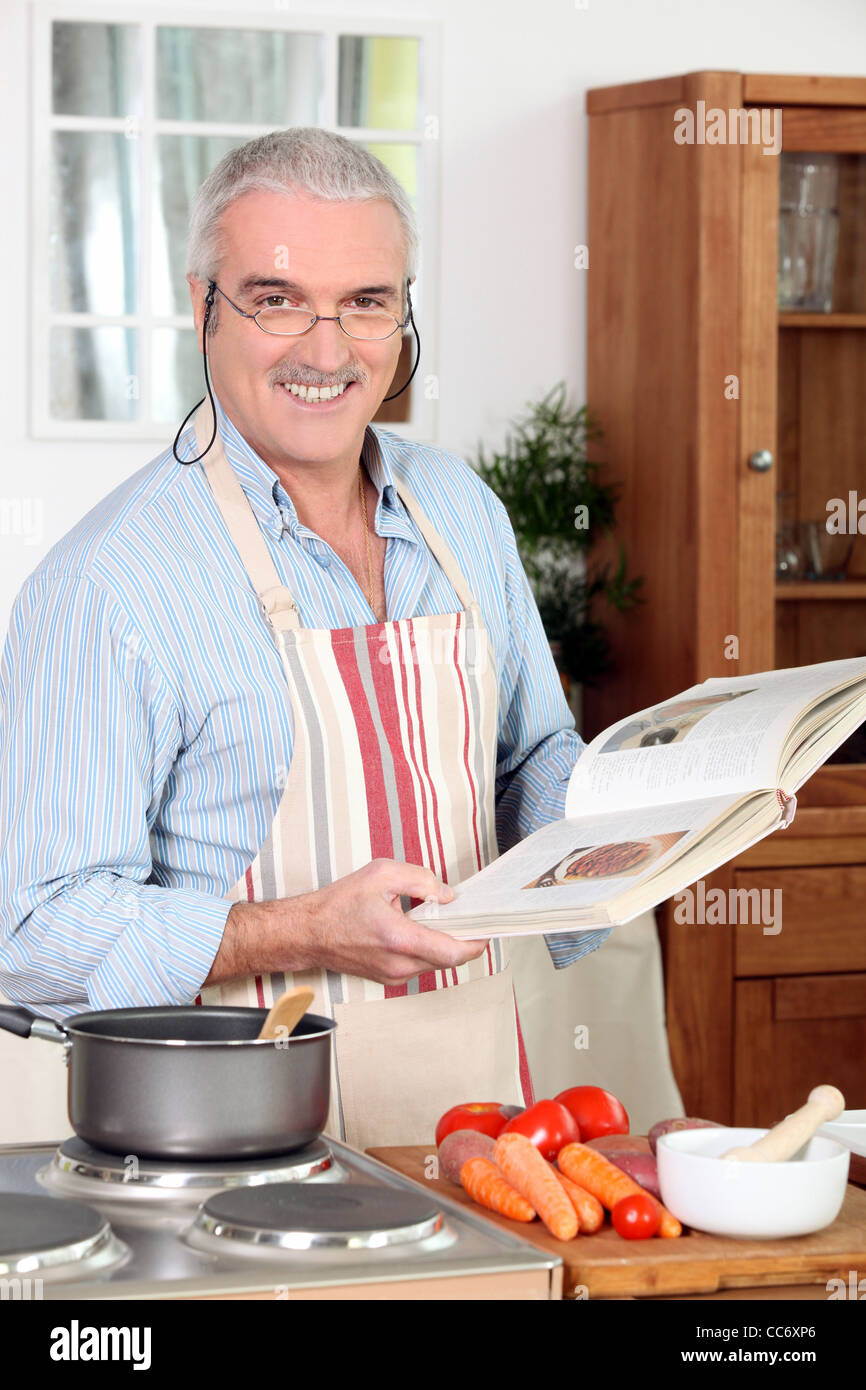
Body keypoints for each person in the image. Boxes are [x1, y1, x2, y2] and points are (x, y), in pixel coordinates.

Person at [0, 128, 623, 1150]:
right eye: (276, 299)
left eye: (366, 303)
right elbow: (33, 931)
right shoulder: (104, 585)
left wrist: (641, 816)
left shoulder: (456, 510)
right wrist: (295, 931)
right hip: (226, 1132)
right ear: (201, 308)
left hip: (467, 1112)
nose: (326, 352)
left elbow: (526, 760)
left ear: (401, 315)